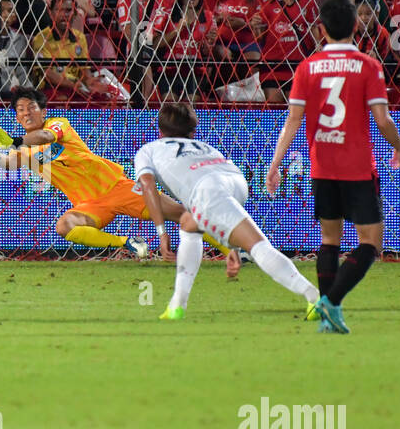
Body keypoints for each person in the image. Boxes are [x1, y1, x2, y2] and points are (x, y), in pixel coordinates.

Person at [265, 0, 400, 334]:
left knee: (330, 240)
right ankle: (330, 303)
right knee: (370, 243)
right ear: (356, 26)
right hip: (357, 167)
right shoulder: (369, 65)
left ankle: (330, 311)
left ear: (321, 30)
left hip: (322, 166)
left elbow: (292, 121)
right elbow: (383, 119)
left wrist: (275, 163)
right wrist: (398, 146)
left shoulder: (307, 67)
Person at [136, 102, 319, 321]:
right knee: (189, 223)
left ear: (159, 130)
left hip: (208, 190)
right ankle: (177, 305)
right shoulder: (204, 146)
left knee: (257, 246)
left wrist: (161, 232)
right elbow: (222, 207)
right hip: (235, 180)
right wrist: (231, 245)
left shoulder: (148, 150)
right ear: (193, 131)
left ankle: (314, 296)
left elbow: (147, 186)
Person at [0, 85, 195, 259]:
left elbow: (46, 137)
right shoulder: (25, 151)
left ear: (43, 111)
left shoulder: (58, 124)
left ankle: (228, 246)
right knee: (64, 226)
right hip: (89, 205)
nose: (26, 113)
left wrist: (15, 141)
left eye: (32, 107)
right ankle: (127, 242)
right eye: (20, 110)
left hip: (116, 188)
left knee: (182, 214)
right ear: (17, 117)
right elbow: (10, 163)